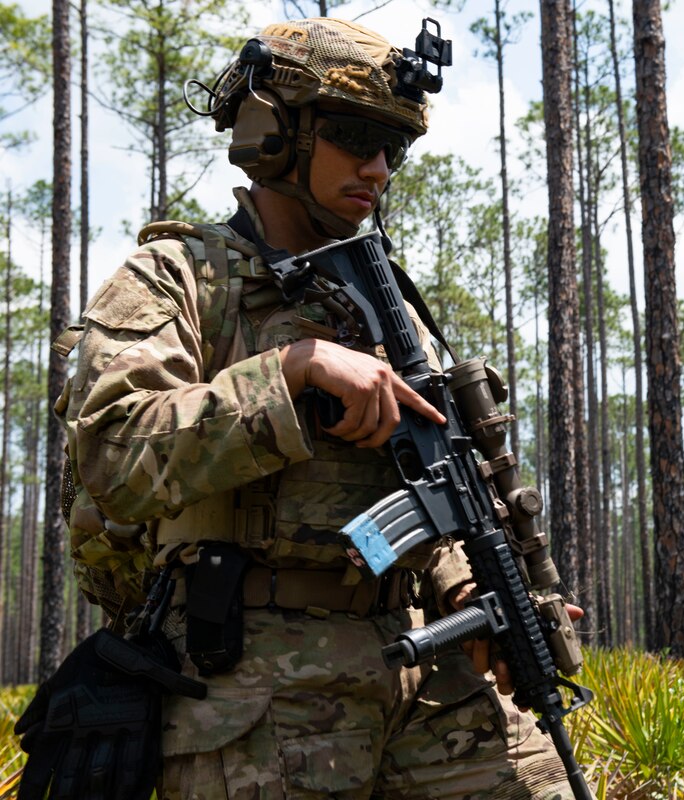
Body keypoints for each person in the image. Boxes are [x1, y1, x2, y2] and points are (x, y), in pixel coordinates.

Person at [52, 16, 577, 800]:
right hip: (254, 693)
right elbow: (113, 455)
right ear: (275, 133)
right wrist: (294, 371)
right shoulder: (179, 278)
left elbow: (430, 489)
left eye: (393, 148)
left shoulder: (378, 302)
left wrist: (468, 588)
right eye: (356, 136)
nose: (378, 167)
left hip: (425, 669)